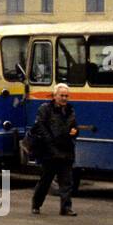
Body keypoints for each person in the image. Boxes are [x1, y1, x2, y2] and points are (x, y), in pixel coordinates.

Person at [30, 82, 78, 215]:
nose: (64, 98)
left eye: (66, 96)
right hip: (49, 152)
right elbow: (41, 127)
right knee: (46, 180)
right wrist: (50, 144)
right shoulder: (45, 109)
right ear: (55, 96)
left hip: (66, 149)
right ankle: (36, 204)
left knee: (67, 181)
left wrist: (75, 132)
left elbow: (74, 126)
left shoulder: (70, 110)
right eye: (62, 95)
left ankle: (66, 208)